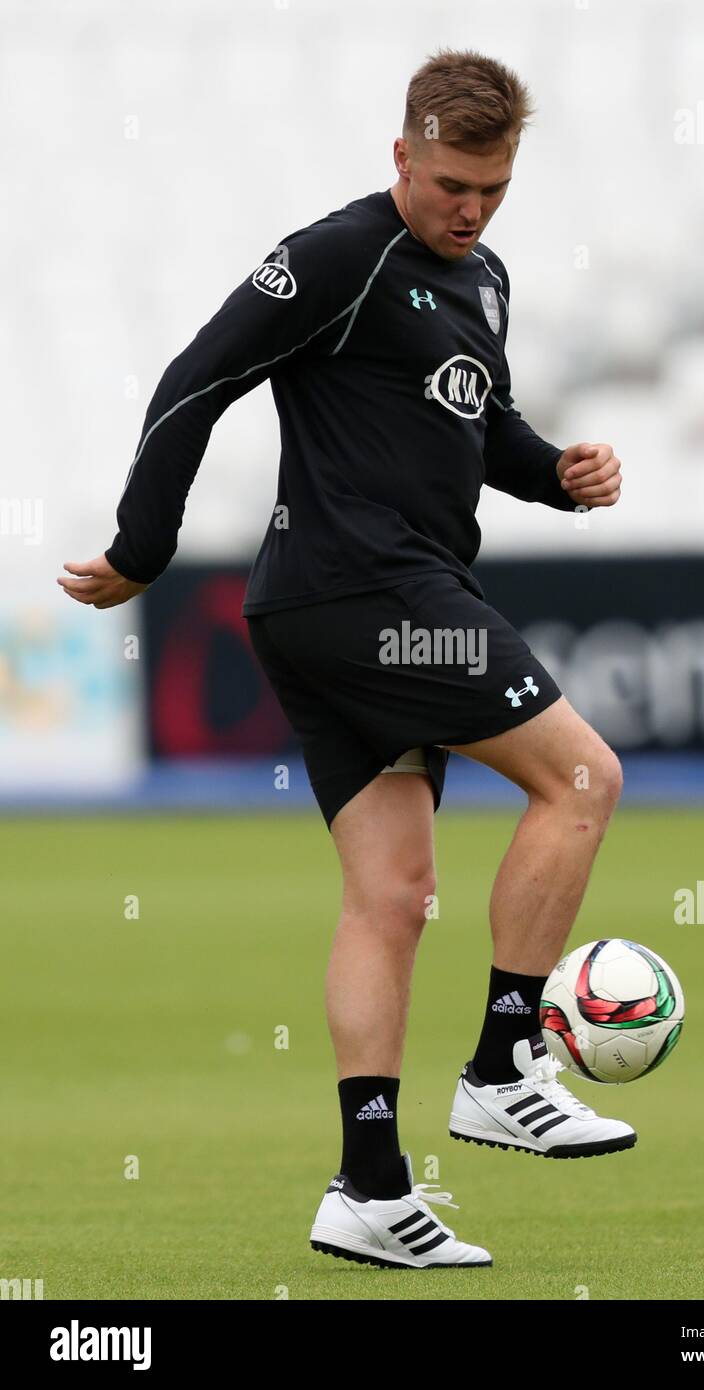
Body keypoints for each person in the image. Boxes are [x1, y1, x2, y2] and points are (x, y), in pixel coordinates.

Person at [58, 48, 630, 1270]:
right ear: (400, 155)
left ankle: (368, 1188)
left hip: (332, 607)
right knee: (582, 776)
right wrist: (143, 548)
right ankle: (504, 1066)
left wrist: (558, 476)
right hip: (367, 592)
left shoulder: (481, 279)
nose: (468, 210)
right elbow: (195, 379)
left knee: (391, 896)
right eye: (449, 185)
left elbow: (480, 427)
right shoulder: (336, 256)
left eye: (491, 189)